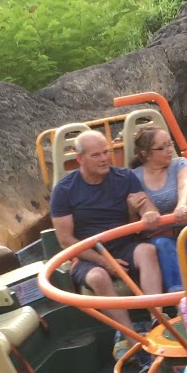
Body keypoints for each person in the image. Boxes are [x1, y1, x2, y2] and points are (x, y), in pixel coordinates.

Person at [50, 130, 162, 357]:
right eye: (96, 155)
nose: (104, 159)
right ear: (80, 159)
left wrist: (149, 212)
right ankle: (133, 339)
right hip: (88, 255)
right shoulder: (64, 190)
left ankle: (158, 322)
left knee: (148, 251)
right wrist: (105, 262)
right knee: (98, 277)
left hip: (124, 246)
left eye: (106, 152)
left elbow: (145, 204)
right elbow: (65, 240)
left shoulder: (124, 177)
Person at [130, 127, 187, 293]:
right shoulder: (133, 177)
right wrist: (137, 211)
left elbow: (186, 186)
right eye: (162, 147)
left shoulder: (180, 164)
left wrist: (182, 205)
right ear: (146, 154)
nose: (169, 150)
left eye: (170, 144)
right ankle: (179, 296)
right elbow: (136, 213)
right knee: (162, 245)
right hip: (160, 235)